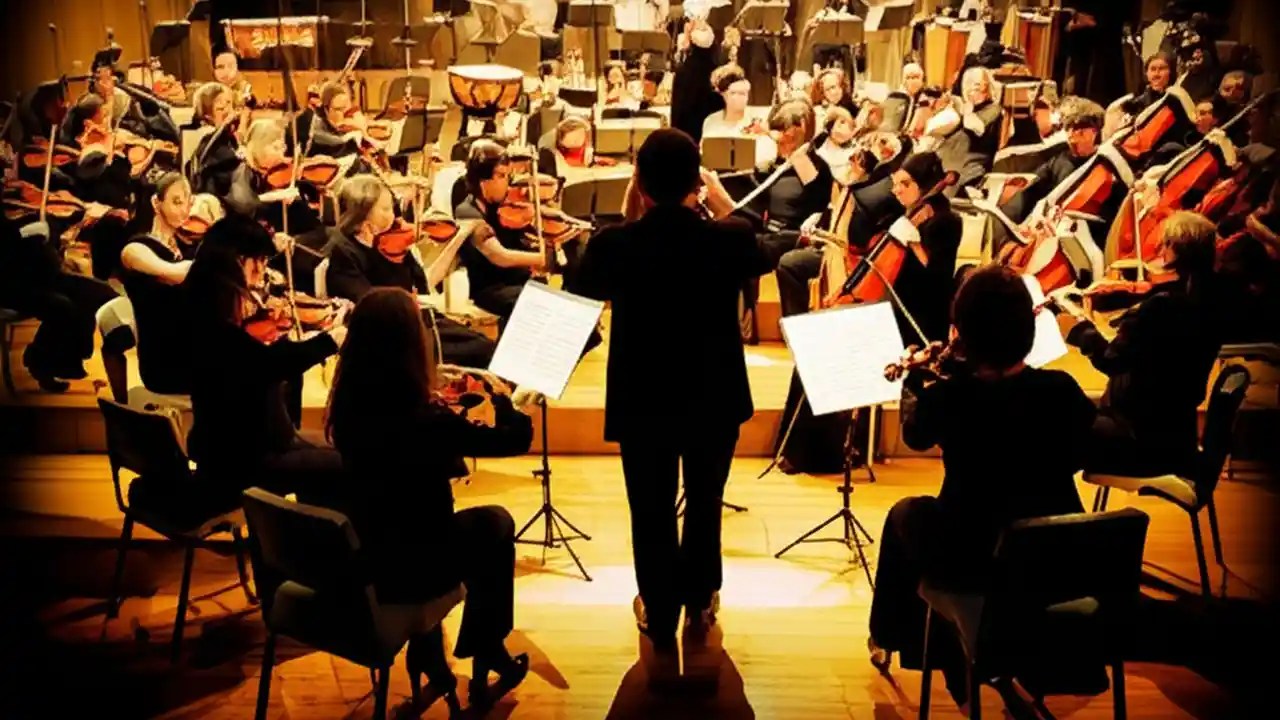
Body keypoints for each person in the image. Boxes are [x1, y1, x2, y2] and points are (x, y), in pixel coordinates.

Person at [571, 128, 772, 649]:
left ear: (639, 181)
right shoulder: (728, 239)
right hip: (713, 394)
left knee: (651, 504)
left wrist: (630, 213)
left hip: (645, 397)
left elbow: (584, 285)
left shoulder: (614, 244)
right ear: (696, 182)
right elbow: (760, 251)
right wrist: (724, 202)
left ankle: (658, 606)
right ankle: (701, 598)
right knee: (706, 499)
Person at [867, 265, 1097, 712]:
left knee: (906, 514)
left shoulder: (952, 397)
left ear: (963, 332)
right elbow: (1083, 452)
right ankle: (971, 656)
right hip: (1053, 559)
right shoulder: (1061, 391)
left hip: (974, 560)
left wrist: (919, 377)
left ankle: (895, 637)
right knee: (917, 515)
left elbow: (914, 434)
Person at [325, 287, 532, 712]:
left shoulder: (347, 407)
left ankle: (432, 653)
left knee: (448, 525)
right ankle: (487, 647)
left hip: (370, 555)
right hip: (414, 569)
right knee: (495, 524)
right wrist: (503, 398)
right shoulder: (427, 421)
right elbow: (515, 439)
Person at [185, 215, 345, 504]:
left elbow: (256, 361)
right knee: (345, 466)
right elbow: (266, 365)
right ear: (235, 259)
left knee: (330, 456)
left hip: (230, 449)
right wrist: (330, 340)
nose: (261, 270)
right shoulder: (213, 327)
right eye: (257, 259)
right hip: (240, 464)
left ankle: (308, 536)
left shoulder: (200, 306)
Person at [1068, 211, 1224, 479]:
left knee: (1049, 432)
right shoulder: (1210, 303)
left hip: (1139, 442)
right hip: (1175, 436)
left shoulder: (1163, 307)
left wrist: (1081, 328)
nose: (1159, 250)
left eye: (1165, 244)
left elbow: (1111, 361)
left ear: (1178, 250)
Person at [326, 175, 496, 368]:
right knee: (481, 352)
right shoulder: (343, 252)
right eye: (386, 209)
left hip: (416, 320)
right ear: (363, 215)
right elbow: (370, 305)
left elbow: (421, 284)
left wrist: (403, 256)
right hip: (390, 336)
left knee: (484, 343)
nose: (395, 216)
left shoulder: (392, 242)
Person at [0, 214, 118, 393]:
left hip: (36, 273)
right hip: (10, 283)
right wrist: (21, 233)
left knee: (100, 293)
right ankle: (41, 363)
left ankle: (70, 359)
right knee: (61, 307)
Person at [118, 172, 199, 395]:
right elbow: (175, 273)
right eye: (176, 202)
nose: (184, 210)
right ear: (156, 203)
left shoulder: (185, 247)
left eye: (188, 202)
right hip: (166, 363)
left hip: (193, 350)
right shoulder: (137, 248)